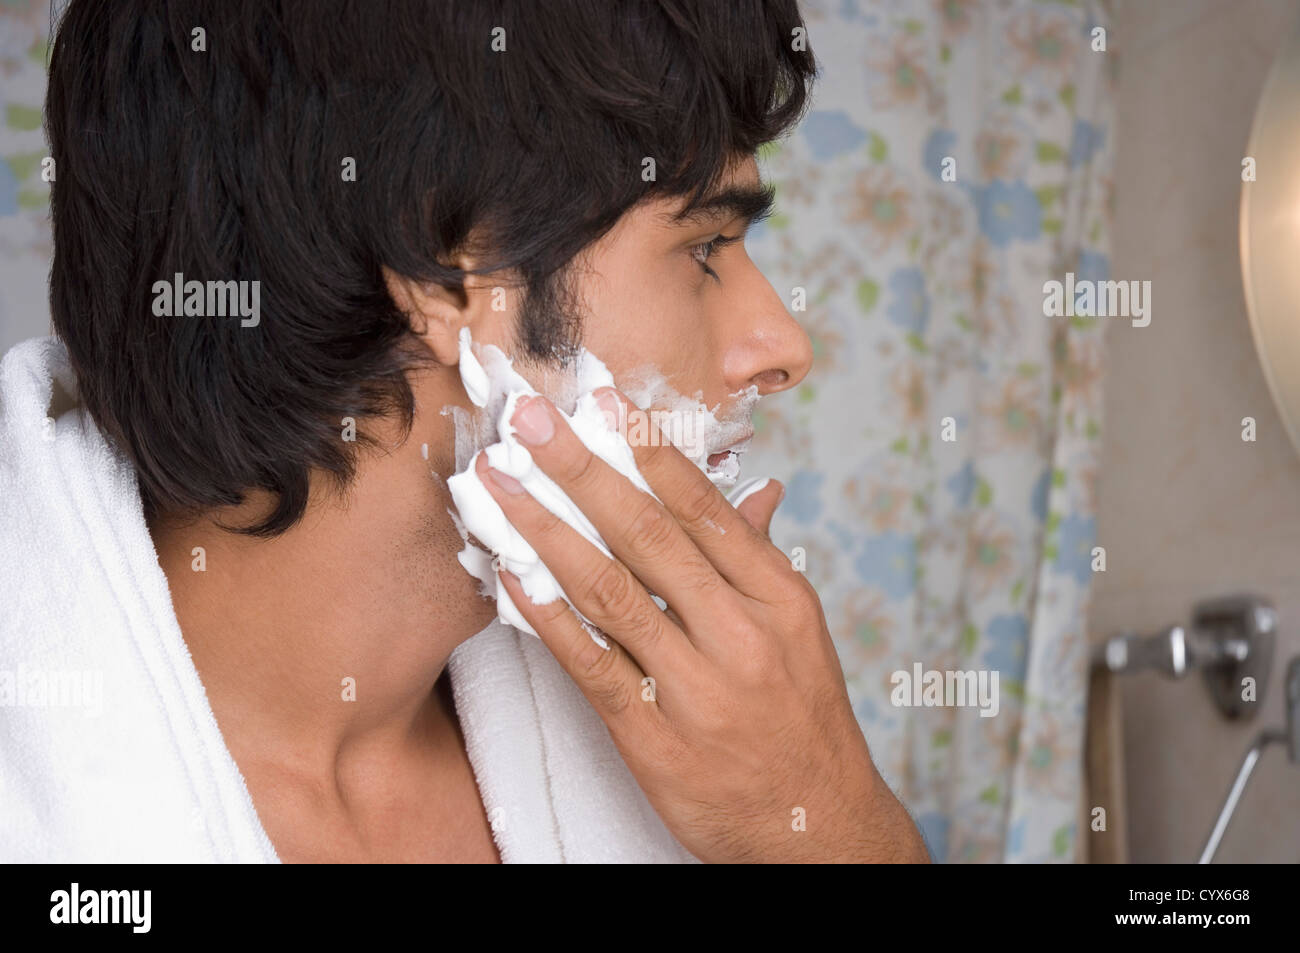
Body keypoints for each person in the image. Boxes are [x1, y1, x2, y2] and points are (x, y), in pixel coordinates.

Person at [1, 0, 930, 863]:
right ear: (449, 283)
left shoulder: (710, 751)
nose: (783, 348)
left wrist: (825, 813)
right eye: (705, 247)